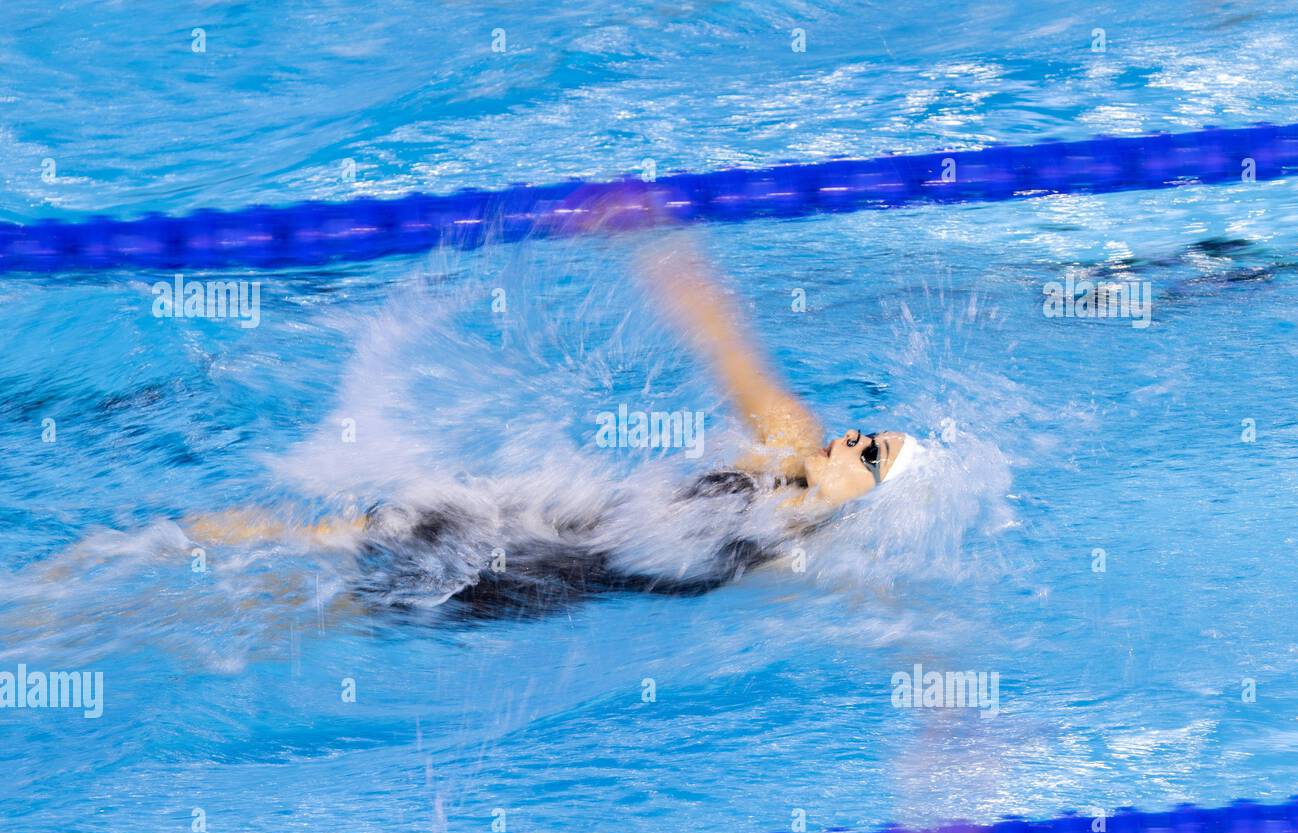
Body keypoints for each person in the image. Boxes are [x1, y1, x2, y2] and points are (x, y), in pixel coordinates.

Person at [180, 237, 926, 618]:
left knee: (328, 595)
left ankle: (132, 582)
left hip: (533, 577)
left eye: (870, 458)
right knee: (325, 552)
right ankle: (135, 565)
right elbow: (730, 350)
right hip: (522, 520)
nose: (853, 439)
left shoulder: (788, 544)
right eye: (868, 433)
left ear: (868, 501)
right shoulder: (788, 448)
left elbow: (881, 617)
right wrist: (663, 255)